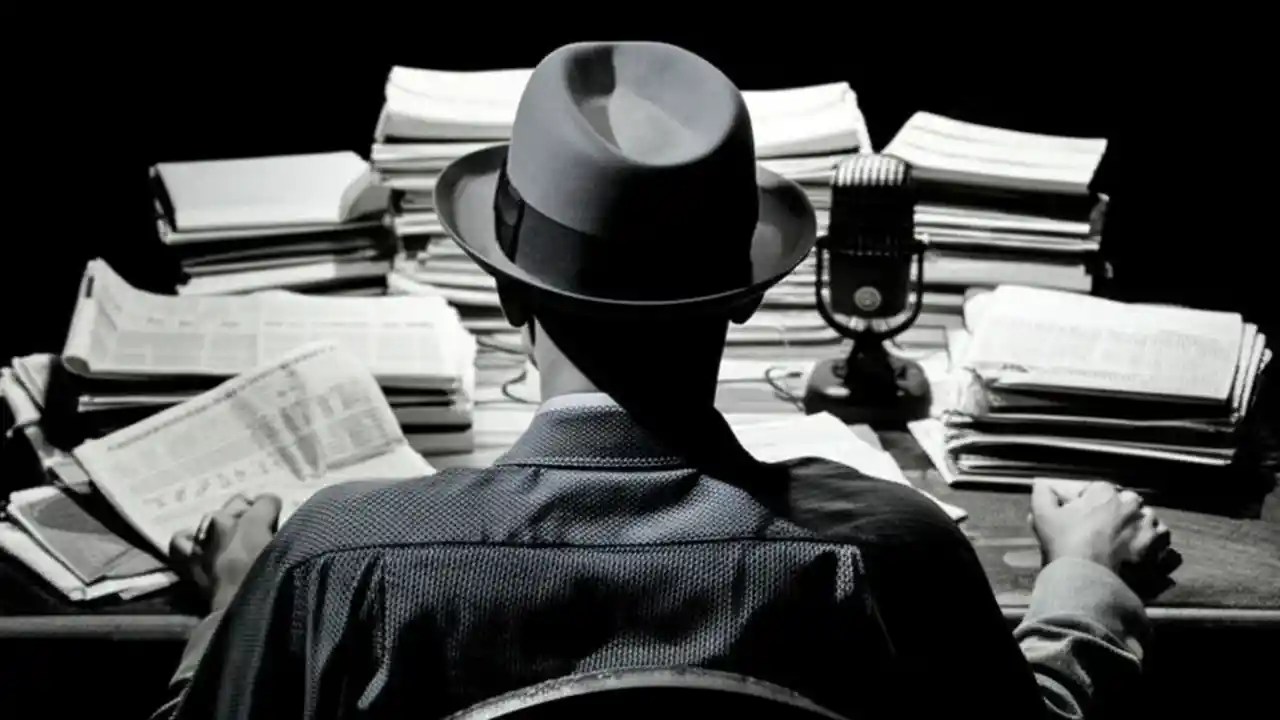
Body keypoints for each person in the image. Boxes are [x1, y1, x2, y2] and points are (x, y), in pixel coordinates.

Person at [152, 41, 1177, 719]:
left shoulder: (333, 565)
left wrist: (236, 607)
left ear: (506, 292)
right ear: (746, 294)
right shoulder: (893, 557)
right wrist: (1085, 587)